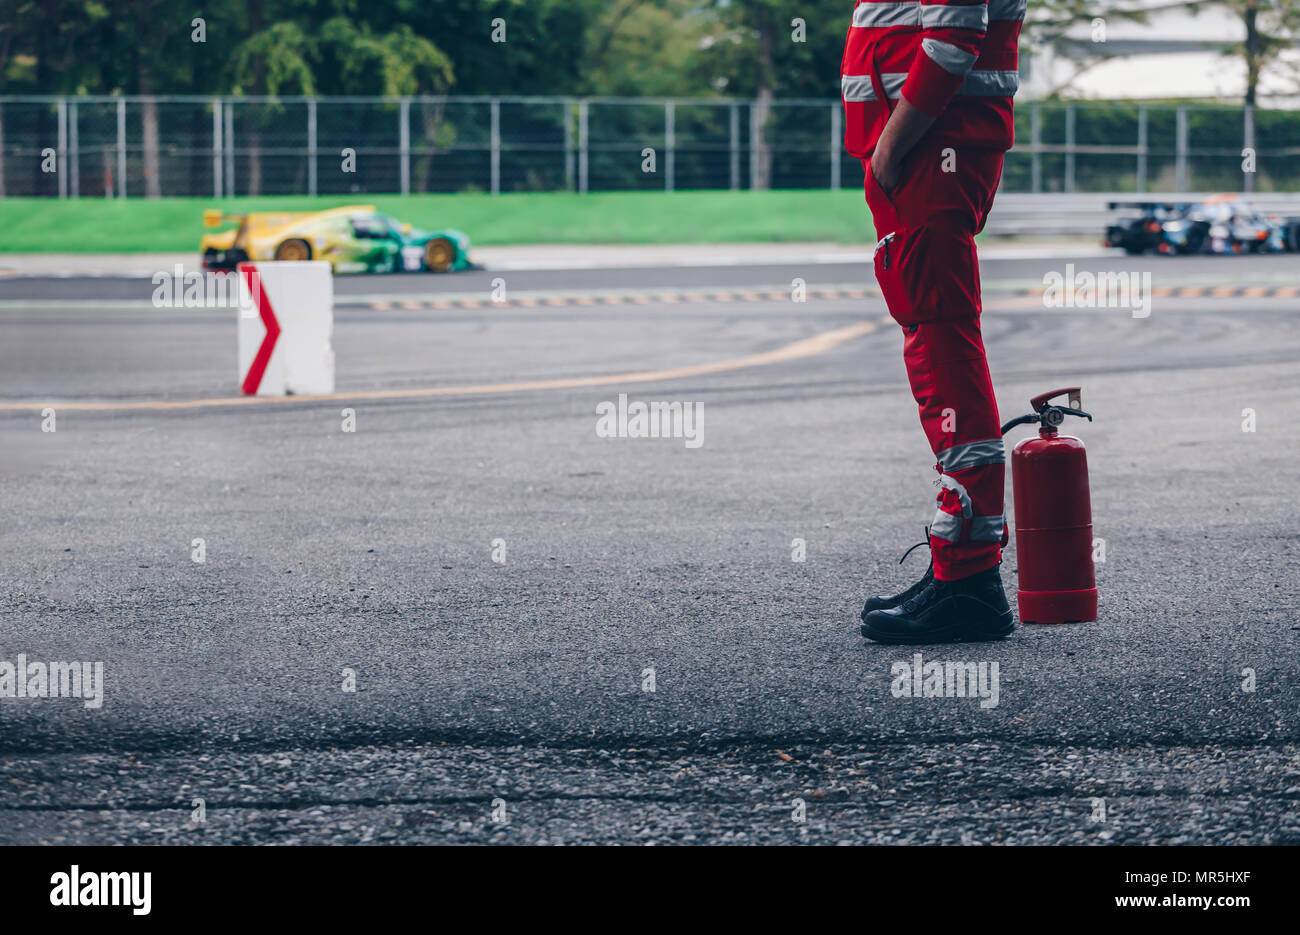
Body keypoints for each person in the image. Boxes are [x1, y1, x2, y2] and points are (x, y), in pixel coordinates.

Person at [841, 0, 1025, 643]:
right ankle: (958, 571)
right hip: (925, 147)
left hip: (929, 147)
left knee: (943, 344)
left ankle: (971, 580)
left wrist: (890, 150)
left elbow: (953, 37)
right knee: (932, 336)